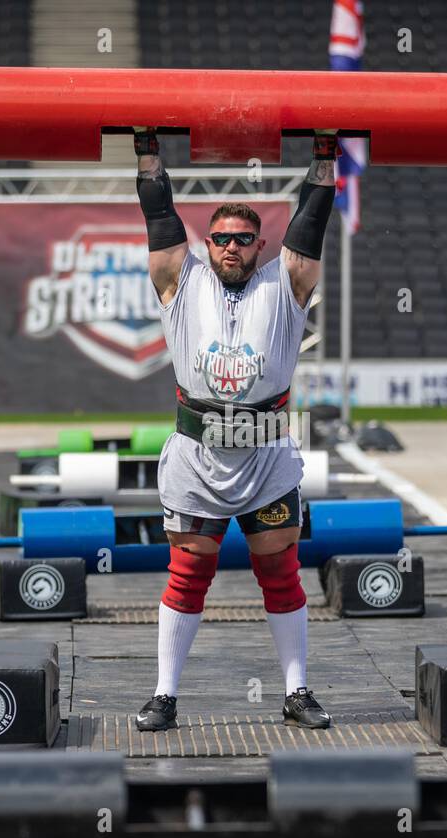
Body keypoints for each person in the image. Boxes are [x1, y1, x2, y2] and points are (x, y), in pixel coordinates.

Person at [131, 126, 339, 730]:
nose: (230, 248)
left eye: (243, 240)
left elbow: (312, 220)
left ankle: (296, 693)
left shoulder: (286, 283)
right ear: (209, 242)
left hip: (266, 454)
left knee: (279, 570)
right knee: (188, 572)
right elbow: (159, 214)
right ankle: (165, 697)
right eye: (220, 238)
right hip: (198, 457)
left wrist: (325, 156)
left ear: (259, 245)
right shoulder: (181, 280)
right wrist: (148, 154)